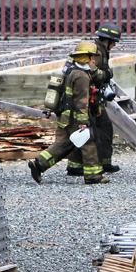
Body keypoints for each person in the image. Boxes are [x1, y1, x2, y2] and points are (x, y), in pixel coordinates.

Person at [29, 41, 108, 184]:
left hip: (66, 116)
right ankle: (93, 176)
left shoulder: (72, 71)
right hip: (75, 118)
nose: (94, 60)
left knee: (64, 144)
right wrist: (83, 122)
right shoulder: (82, 77)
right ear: (87, 58)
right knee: (88, 143)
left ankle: (39, 164)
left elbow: (100, 77)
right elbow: (81, 101)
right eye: (92, 57)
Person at [68, 22, 122, 176]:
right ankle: (78, 166)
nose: (114, 46)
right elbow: (91, 73)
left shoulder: (100, 50)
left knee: (102, 129)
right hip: (88, 97)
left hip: (94, 97)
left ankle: (103, 163)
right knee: (92, 131)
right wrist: (107, 75)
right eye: (114, 43)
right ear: (108, 41)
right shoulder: (96, 52)